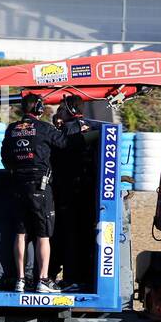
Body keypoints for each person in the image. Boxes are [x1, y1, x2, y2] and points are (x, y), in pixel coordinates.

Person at [0, 93, 69, 293]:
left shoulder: (11, 129)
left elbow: (4, 157)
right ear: (39, 109)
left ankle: (20, 279)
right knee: (43, 234)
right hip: (39, 186)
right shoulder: (44, 128)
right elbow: (65, 143)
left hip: (17, 185)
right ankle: (43, 280)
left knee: (20, 233)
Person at [48, 95, 100, 290]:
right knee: (81, 235)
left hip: (69, 191)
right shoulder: (90, 127)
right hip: (87, 191)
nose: (57, 113)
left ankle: (71, 278)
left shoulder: (68, 130)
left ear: (69, 110)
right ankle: (78, 276)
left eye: (60, 109)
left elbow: (56, 150)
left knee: (67, 235)